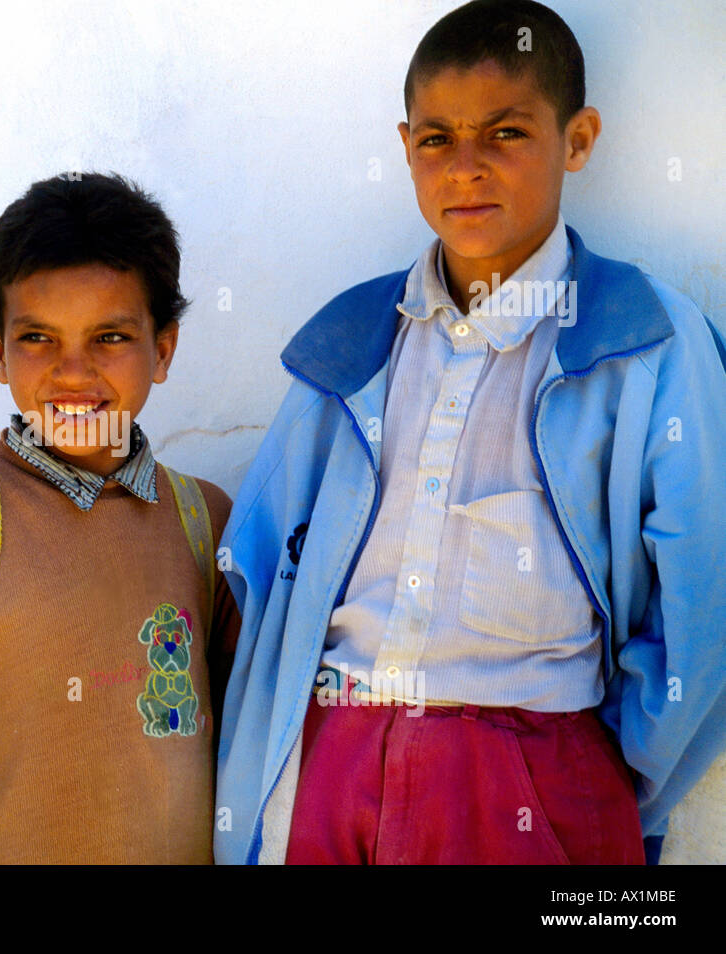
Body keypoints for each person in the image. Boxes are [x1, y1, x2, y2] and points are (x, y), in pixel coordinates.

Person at [215, 0, 726, 864]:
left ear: (579, 140)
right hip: (333, 766)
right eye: (437, 140)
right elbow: (258, 571)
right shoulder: (354, 340)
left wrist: (613, 773)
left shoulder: (646, 341)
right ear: (406, 146)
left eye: (507, 133)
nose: (467, 169)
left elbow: (703, 600)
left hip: (536, 777)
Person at [0, 172, 239, 863]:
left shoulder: (205, 524)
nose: (73, 372)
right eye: (39, 337)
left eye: (109, 337)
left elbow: (247, 743)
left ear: (163, 349)